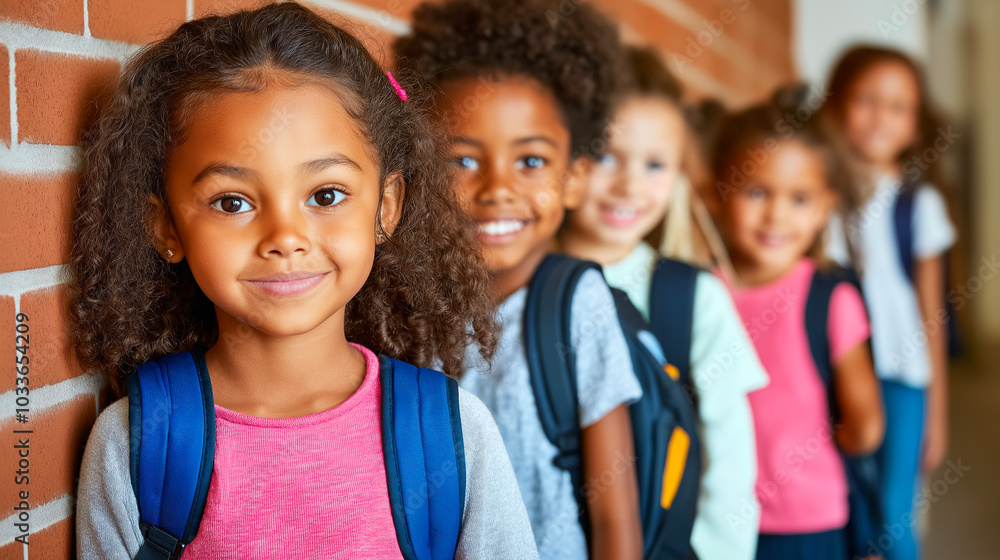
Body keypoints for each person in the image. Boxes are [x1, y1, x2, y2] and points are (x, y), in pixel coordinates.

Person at [72, 4, 537, 558]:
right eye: (232, 201)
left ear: (385, 207)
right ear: (167, 226)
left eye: (325, 195)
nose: (285, 237)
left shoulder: (450, 435)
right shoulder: (137, 445)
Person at [395, 1, 645, 558]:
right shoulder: (404, 304)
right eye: (462, 161)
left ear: (576, 178)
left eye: (530, 162)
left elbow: (615, 514)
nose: (497, 189)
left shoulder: (577, 303)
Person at [558, 46, 769, 560]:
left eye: (655, 165)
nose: (630, 184)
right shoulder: (522, 279)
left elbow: (730, 454)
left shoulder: (692, 297)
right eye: (607, 155)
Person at [710, 87, 885, 560]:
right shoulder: (697, 291)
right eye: (757, 191)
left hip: (808, 522)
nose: (777, 214)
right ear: (718, 191)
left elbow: (865, 426)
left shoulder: (831, 299)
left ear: (826, 206)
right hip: (714, 519)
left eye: (799, 198)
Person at [821, 46, 957, 560]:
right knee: (845, 510)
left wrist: (937, 417)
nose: (882, 117)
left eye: (899, 106)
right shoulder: (817, 191)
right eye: (867, 100)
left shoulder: (918, 204)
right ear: (836, 104)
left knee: (894, 519)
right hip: (837, 373)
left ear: (916, 124)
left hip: (903, 378)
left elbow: (933, 316)